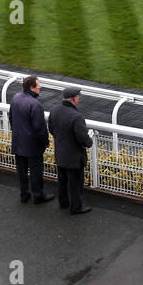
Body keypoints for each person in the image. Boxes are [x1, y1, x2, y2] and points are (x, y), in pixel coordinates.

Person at [49, 85, 93, 215]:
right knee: (75, 183)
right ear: (74, 99)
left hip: (60, 153)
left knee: (62, 180)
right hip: (74, 157)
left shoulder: (54, 109)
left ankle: (63, 202)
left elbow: (51, 129)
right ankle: (76, 207)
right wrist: (89, 141)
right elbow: (83, 139)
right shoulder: (77, 116)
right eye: (78, 97)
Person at [9, 74, 51, 204]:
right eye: (39, 86)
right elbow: (40, 128)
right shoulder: (35, 104)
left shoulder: (15, 98)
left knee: (21, 172)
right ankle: (38, 196)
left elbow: (11, 117)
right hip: (32, 146)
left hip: (18, 142)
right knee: (36, 172)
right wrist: (45, 142)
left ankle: (24, 195)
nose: (40, 88)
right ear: (32, 88)